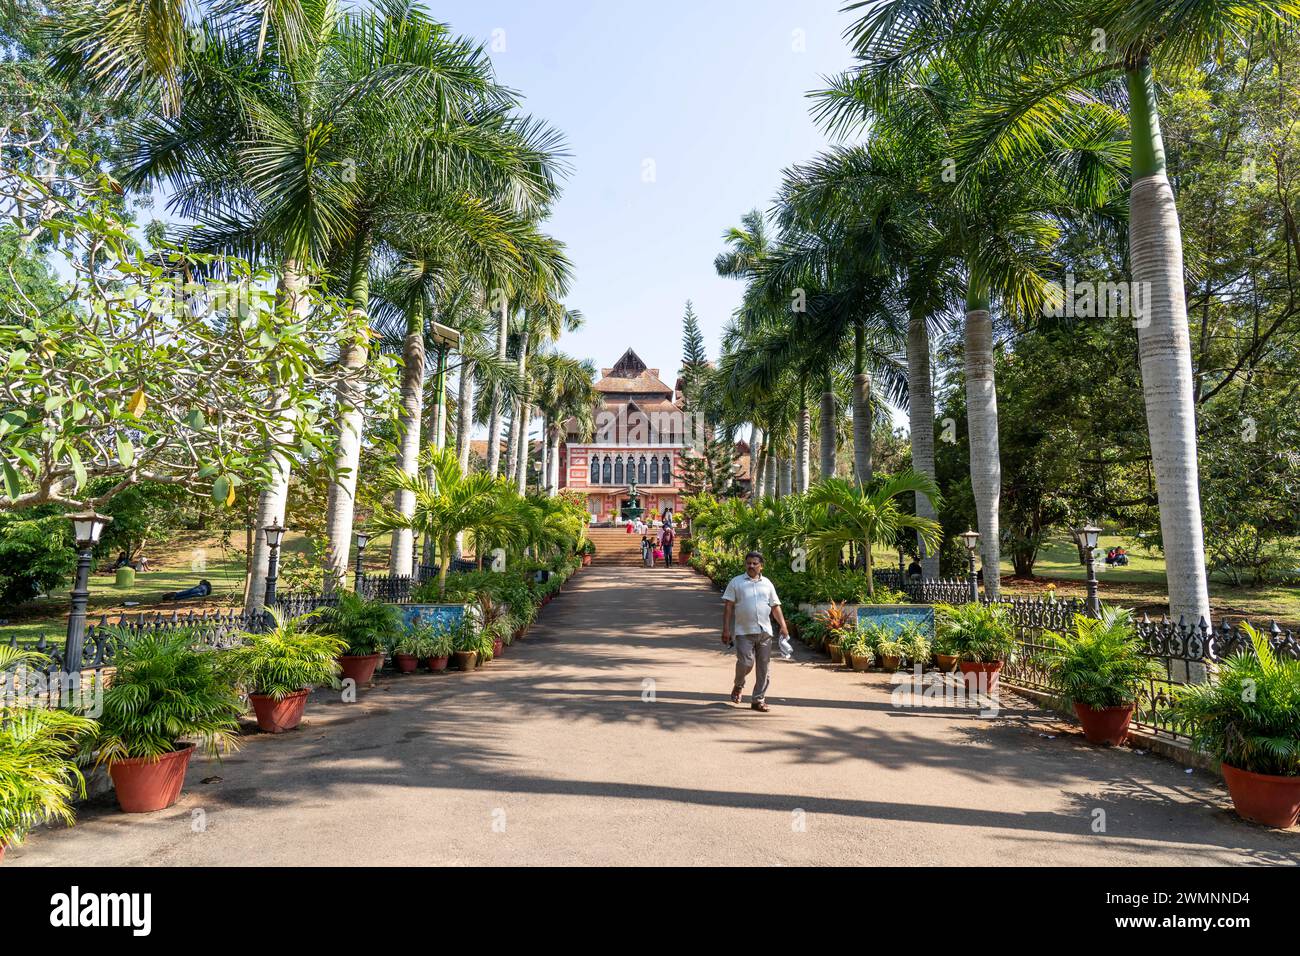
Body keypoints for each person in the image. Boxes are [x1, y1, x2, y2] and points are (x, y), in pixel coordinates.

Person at [721, 551, 789, 713]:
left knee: (763, 668)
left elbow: (775, 606)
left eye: (754, 563)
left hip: (765, 631)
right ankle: (738, 685)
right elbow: (728, 606)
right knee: (746, 662)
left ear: (761, 566)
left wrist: (783, 626)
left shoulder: (767, 584)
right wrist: (726, 629)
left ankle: (758, 700)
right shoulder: (736, 582)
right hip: (744, 632)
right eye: (748, 563)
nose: (751, 566)